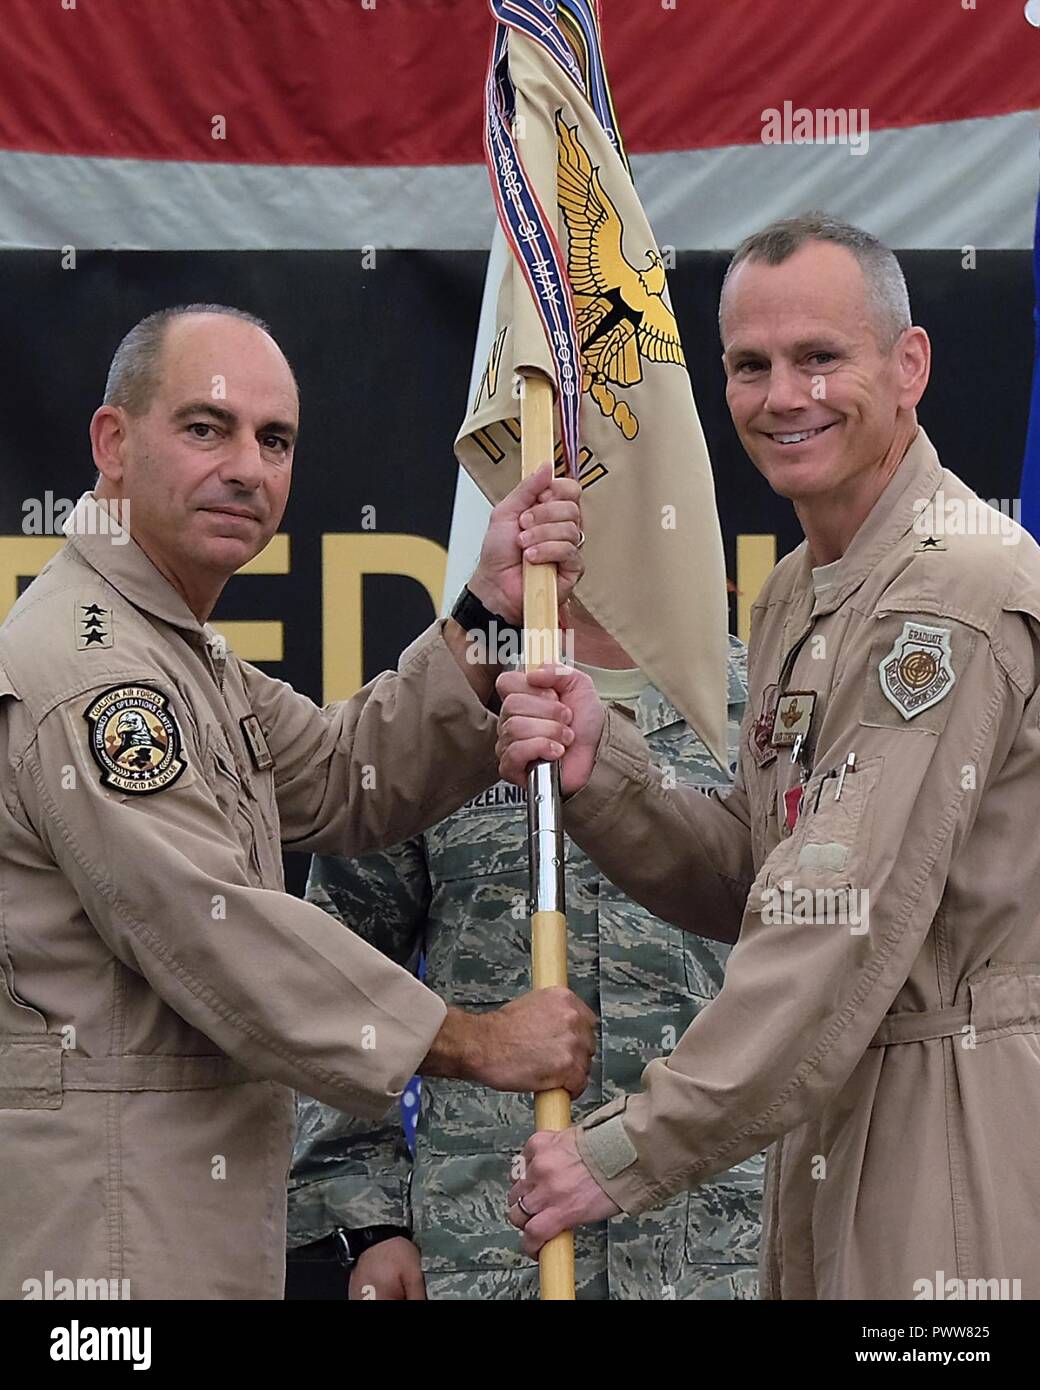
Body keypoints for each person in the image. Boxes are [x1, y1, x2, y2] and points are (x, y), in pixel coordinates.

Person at [0, 304, 595, 1300]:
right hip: (107, 1239)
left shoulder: (172, 647)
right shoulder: (97, 670)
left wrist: (488, 612)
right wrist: (477, 1039)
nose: (247, 466)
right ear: (112, 442)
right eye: (206, 427)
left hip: (165, 1214)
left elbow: (343, 771)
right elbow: (216, 933)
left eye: (274, 440)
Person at [495, 215, 1040, 1300]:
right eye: (749, 365)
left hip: (954, 1122)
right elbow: (765, 873)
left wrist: (625, 1151)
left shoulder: (950, 586)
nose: (782, 397)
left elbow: (832, 928)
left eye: (818, 358)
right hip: (834, 1112)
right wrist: (611, 774)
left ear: (908, 365)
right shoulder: (798, 588)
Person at [289, 599, 762, 1300]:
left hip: (728, 1244)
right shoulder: (450, 716)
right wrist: (368, 1218)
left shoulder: (769, 708)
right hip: (490, 1245)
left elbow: (830, 971)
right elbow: (338, 967)